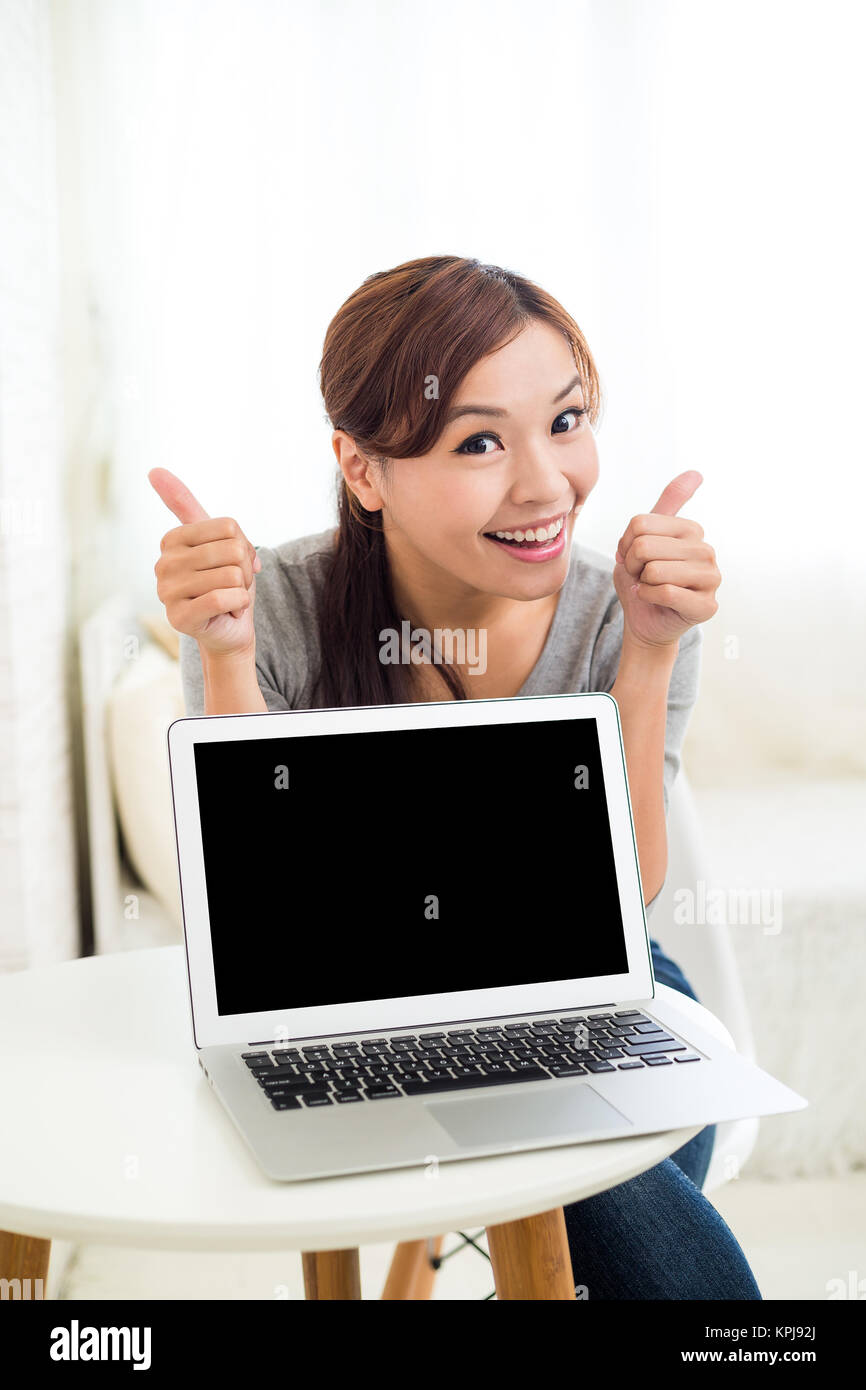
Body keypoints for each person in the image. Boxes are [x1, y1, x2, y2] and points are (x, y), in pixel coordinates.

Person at [150, 254, 759, 1299]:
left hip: (592, 984)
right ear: (362, 470)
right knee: (605, 1188)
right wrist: (226, 656)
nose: (545, 484)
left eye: (565, 422)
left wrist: (650, 650)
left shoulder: (623, 605)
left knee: (608, 1179)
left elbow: (635, 892)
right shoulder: (278, 604)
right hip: (353, 1009)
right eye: (479, 441)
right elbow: (267, 916)